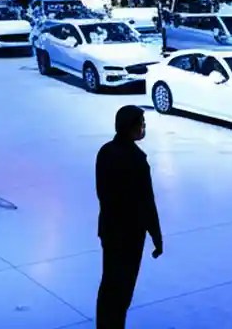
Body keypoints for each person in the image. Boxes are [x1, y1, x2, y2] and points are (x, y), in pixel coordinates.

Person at [95, 105, 162, 328]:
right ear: (131, 127)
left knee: (109, 283)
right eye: (141, 123)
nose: (144, 127)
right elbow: (146, 201)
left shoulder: (105, 152)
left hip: (109, 229)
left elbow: (102, 193)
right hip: (130, 234)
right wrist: (156, 235)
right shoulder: (136, 159)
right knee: (123, 288)